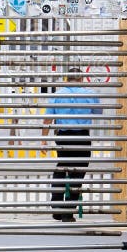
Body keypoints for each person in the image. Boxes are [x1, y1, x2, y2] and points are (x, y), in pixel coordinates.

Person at [43, 68, 100, 222]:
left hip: (63, 137)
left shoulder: (57, 95)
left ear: (67, 79)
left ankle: (56, 205)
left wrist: (43, 140)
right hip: (82, 137)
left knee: (62, 167)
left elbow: (47, 120)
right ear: (81, 79)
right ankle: (68, 212)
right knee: (77, 173)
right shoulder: (90, 94)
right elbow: (98, 113)